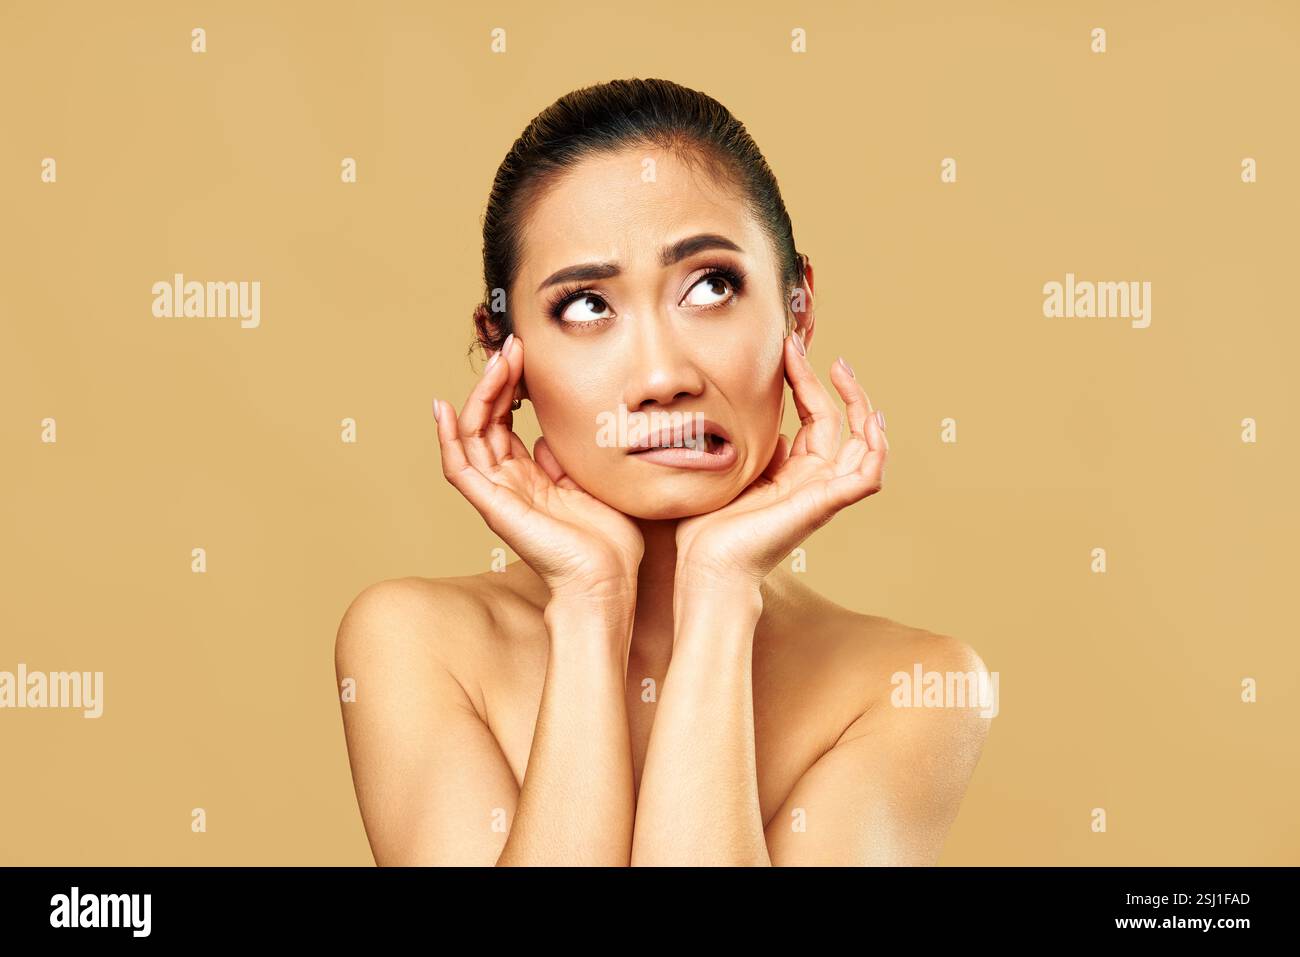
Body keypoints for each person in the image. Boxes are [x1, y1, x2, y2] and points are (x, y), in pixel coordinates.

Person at [336, 78, 990, 866]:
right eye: (585, 305)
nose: (660, 375)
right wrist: (587, 604)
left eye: (711, 287)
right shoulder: (415, 642)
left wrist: (719, 593)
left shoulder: (912, 686)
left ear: (799, 310)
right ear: (504, 352)